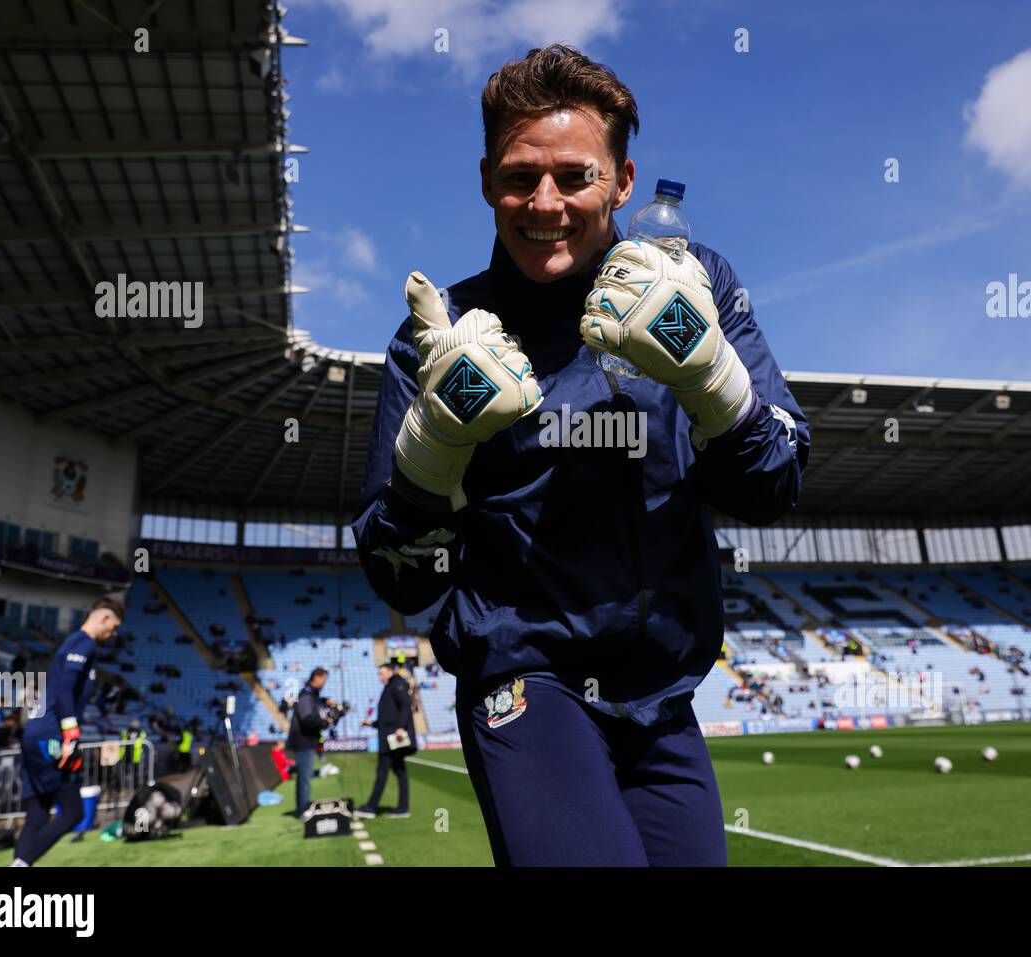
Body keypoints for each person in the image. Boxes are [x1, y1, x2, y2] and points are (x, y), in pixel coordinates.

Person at [351, 45, 808, 865]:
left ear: (624, 182)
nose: (544, 203)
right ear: (487, 178)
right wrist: (433, 451)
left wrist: (710, 377)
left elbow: (775, 484)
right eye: (521, 177)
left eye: (575, 175)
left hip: (663, 695)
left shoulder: (696, 285)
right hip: (526, 679)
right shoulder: (439, 336)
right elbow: (400, 578)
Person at [12, 597, 124, 866]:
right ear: (104, 618)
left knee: (38, 812)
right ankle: (20, 864)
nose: (114, 634)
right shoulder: (84, 643)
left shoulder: (71, 642)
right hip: (51, 736)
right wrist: (70, 732)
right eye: (114, 626)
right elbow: (65, 689)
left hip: (35, 734)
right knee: (72, 812)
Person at [357, 663, 416, 819]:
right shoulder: (390, 686)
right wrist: (372, 723)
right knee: (399, 771)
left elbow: (406, 706)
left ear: (390, 671)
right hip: (390, 737)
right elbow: (388, 718)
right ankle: (403, 808)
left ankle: (371, 807)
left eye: (381, 673)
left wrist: (401, 727)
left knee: (383, 770)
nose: (379, 676)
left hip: (393, 739)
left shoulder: (397, 684)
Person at [285, 668, 333, 815]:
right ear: (316, 678)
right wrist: (324, 722)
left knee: (305, 777)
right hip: (303, 741)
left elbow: (313, 705)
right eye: (323, 679)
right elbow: (307, 718)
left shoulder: (311, 695)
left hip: (306, 740)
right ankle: (303, 810)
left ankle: (303, 807)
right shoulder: (306, 694)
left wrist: (325, 701)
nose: (325, 683)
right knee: (305, 777)